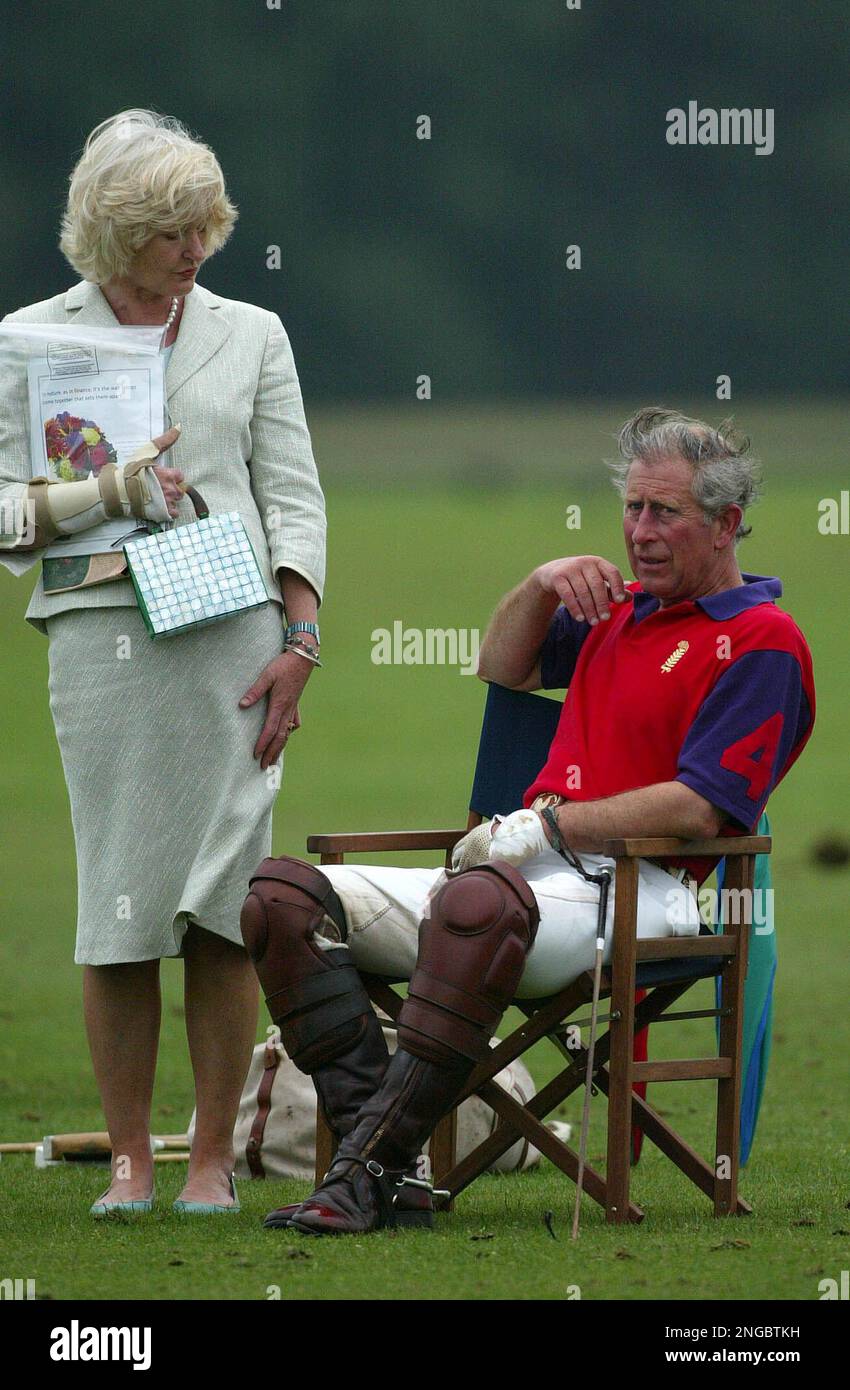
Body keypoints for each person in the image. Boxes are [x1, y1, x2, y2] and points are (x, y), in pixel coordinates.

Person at [240, 406, 815, 1236]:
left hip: (647, 893)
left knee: (475, 907)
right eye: (632, 508)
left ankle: (363, 1171)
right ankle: (382, 1167)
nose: (641, 532)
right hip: (515, 884)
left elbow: (700, 807)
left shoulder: (764, 641)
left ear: (726, 525)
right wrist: (544, 583)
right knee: (280, 898)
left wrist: (546, 827)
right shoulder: (620, 612)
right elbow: (501, 665)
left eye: (667, 513)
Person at [0, 110, 326, 1215]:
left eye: (206, 226)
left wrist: (302, 640)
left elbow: (291, 494)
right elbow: (7, 517)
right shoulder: (30, 338)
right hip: (101, 643)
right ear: (111, 230)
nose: (196, 250)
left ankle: (213, 1162)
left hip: (233, 641)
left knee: (226, 906)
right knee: (122, 905)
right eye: (171, 231)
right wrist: (112, 494)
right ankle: (133, 1162)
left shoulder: (253, 331)